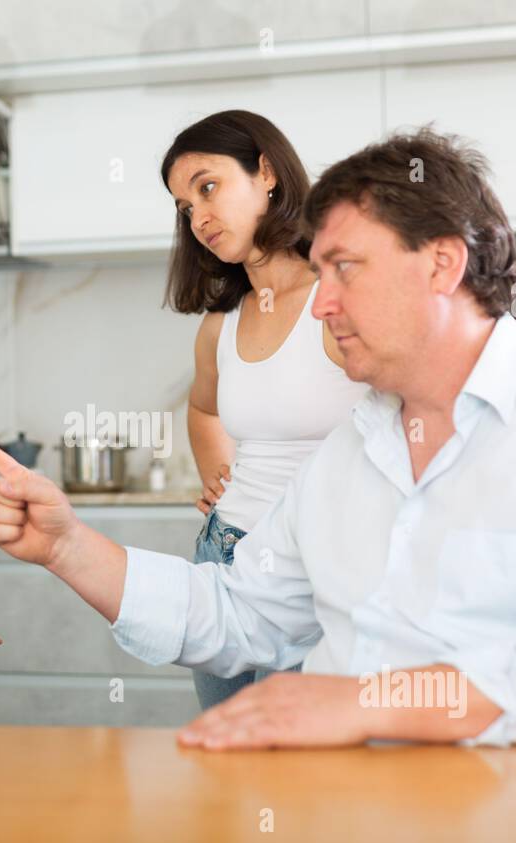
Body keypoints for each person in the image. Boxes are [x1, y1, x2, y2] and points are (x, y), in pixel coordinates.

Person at [0, 127, 516, 750]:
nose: (319, 305)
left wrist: (366, 706)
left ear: (443, 263)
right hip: (357, 810)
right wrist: (67, 547)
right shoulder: (348, 454)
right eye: (318, 272)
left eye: (344, 269)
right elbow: (238, 615)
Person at [163, 109, 366, 709]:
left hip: (317, 568)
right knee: (225, 757)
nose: (198, 217)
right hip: (223, 557)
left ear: (268, 173)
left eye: (207, 187)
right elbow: (203, 411)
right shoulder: (219, 324)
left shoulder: (338, 300)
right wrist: (217, 476)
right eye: (184, 207)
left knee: (291, 775)